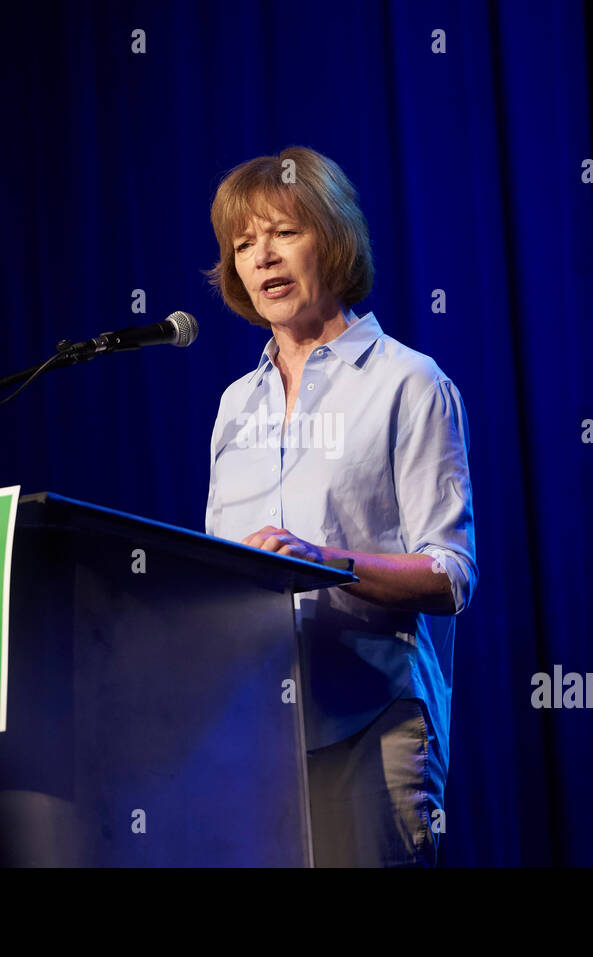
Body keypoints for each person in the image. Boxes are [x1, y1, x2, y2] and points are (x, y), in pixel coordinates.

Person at [204, 146, 476, 867]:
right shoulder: (236, 404)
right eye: (242, 244)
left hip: (370, 724)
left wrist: (330, 563)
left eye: (284, 233)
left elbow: (451, 575)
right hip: (252, 736)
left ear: (334, 238)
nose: (261, 257)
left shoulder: (408, 384)